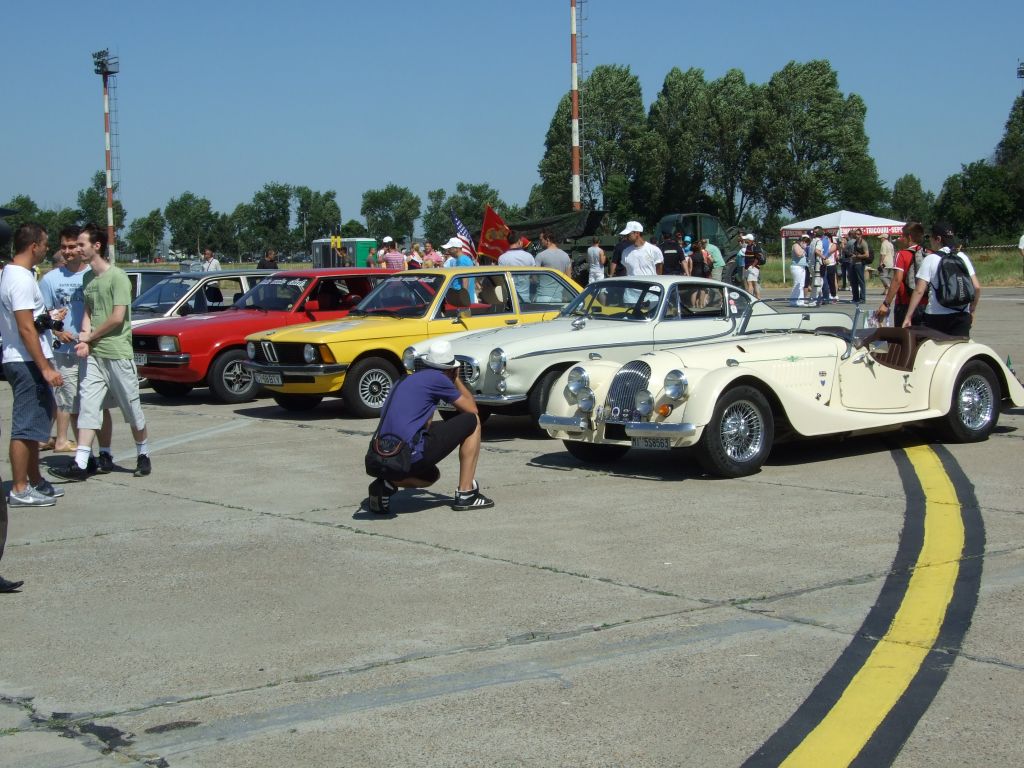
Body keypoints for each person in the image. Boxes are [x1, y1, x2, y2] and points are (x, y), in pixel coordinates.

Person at [50, 224, 153, 482]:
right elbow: (87, 312)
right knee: (88, 406)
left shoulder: (118, 277)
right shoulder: (88, 279)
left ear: (96, 246)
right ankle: (82, 462)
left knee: (131, 409)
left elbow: (117, 318)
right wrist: (85, 340)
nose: (77, 249)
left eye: (82, 244)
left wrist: (91, 336)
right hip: (94, 356)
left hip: (117, 353)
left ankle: (143, 454)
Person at [366, 340, 493, 514]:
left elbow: (424, 424)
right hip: (406, 454)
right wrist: (456, 379)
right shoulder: (439, 378)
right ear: (450, 369)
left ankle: (386, 484)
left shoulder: (406, 380)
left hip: (384, 454)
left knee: (430, 476)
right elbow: (471, 409)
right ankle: (466, 493)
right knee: (473, 421)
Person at [0, 223, 65, 507]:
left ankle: (34, 480)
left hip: (24, 358)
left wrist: (48, 318)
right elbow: (26, 328)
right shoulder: (20, 279)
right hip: (25, 361)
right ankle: (19, 488)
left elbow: (30, 322)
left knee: (37, 422)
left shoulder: (16, 275)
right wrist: (46, 368)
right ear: (33, 246)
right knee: (26, 427)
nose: (47, 248)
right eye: (45, 243)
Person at [39, 225, 113, 456]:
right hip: (65, 352)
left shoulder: (93, 275)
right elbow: (42, 315)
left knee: (99, 404)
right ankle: (85, 454)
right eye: (64, 247)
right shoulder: (50, 279)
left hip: (93, 349)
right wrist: (58, 331)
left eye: (73, 246)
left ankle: (105, 452)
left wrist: (91, 336)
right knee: (72, 405)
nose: (69, 251)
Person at [902, 222, 981, 337]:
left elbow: (919, 290)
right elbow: (977, 287)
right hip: (961, 316)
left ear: (938, 239)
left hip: (936, 316)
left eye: (931, 238)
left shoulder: (931, 259)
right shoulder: (962, 257)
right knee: (959, 351)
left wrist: (908, 316)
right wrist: (972, 310)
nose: (930, 241)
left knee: (937, 352)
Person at [875, 221, 927, 328]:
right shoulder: (928, 253)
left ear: (909, 237)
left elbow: (897, 280)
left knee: (902, 340)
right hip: (924, 303)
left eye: (902, 236)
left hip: (904, 303)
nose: (900, 239)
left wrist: (886, 303)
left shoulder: (902, 254)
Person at [848, 228, 871, 304]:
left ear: (861, 235)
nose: (857, 235)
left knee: (861, 281)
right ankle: (855, 298)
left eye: (858, 234)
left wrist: (857, 256)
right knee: (853, 281)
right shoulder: (855, 242)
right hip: (854, 263)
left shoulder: (863, 243)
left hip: (860, 264)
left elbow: (867, 255)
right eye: (855, 234)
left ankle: (862, 298)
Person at [789, 234, 810, 306]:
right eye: (804, 241)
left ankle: (800, 301)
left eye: (807, 241)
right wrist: (803, 249)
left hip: (802, 267)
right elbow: (798, 254)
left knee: (801, 285)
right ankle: (793, 301)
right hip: (796, 267)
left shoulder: (802, 247)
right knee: (797, 284)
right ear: (801, 240)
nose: (805, 243)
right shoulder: (796, 245)